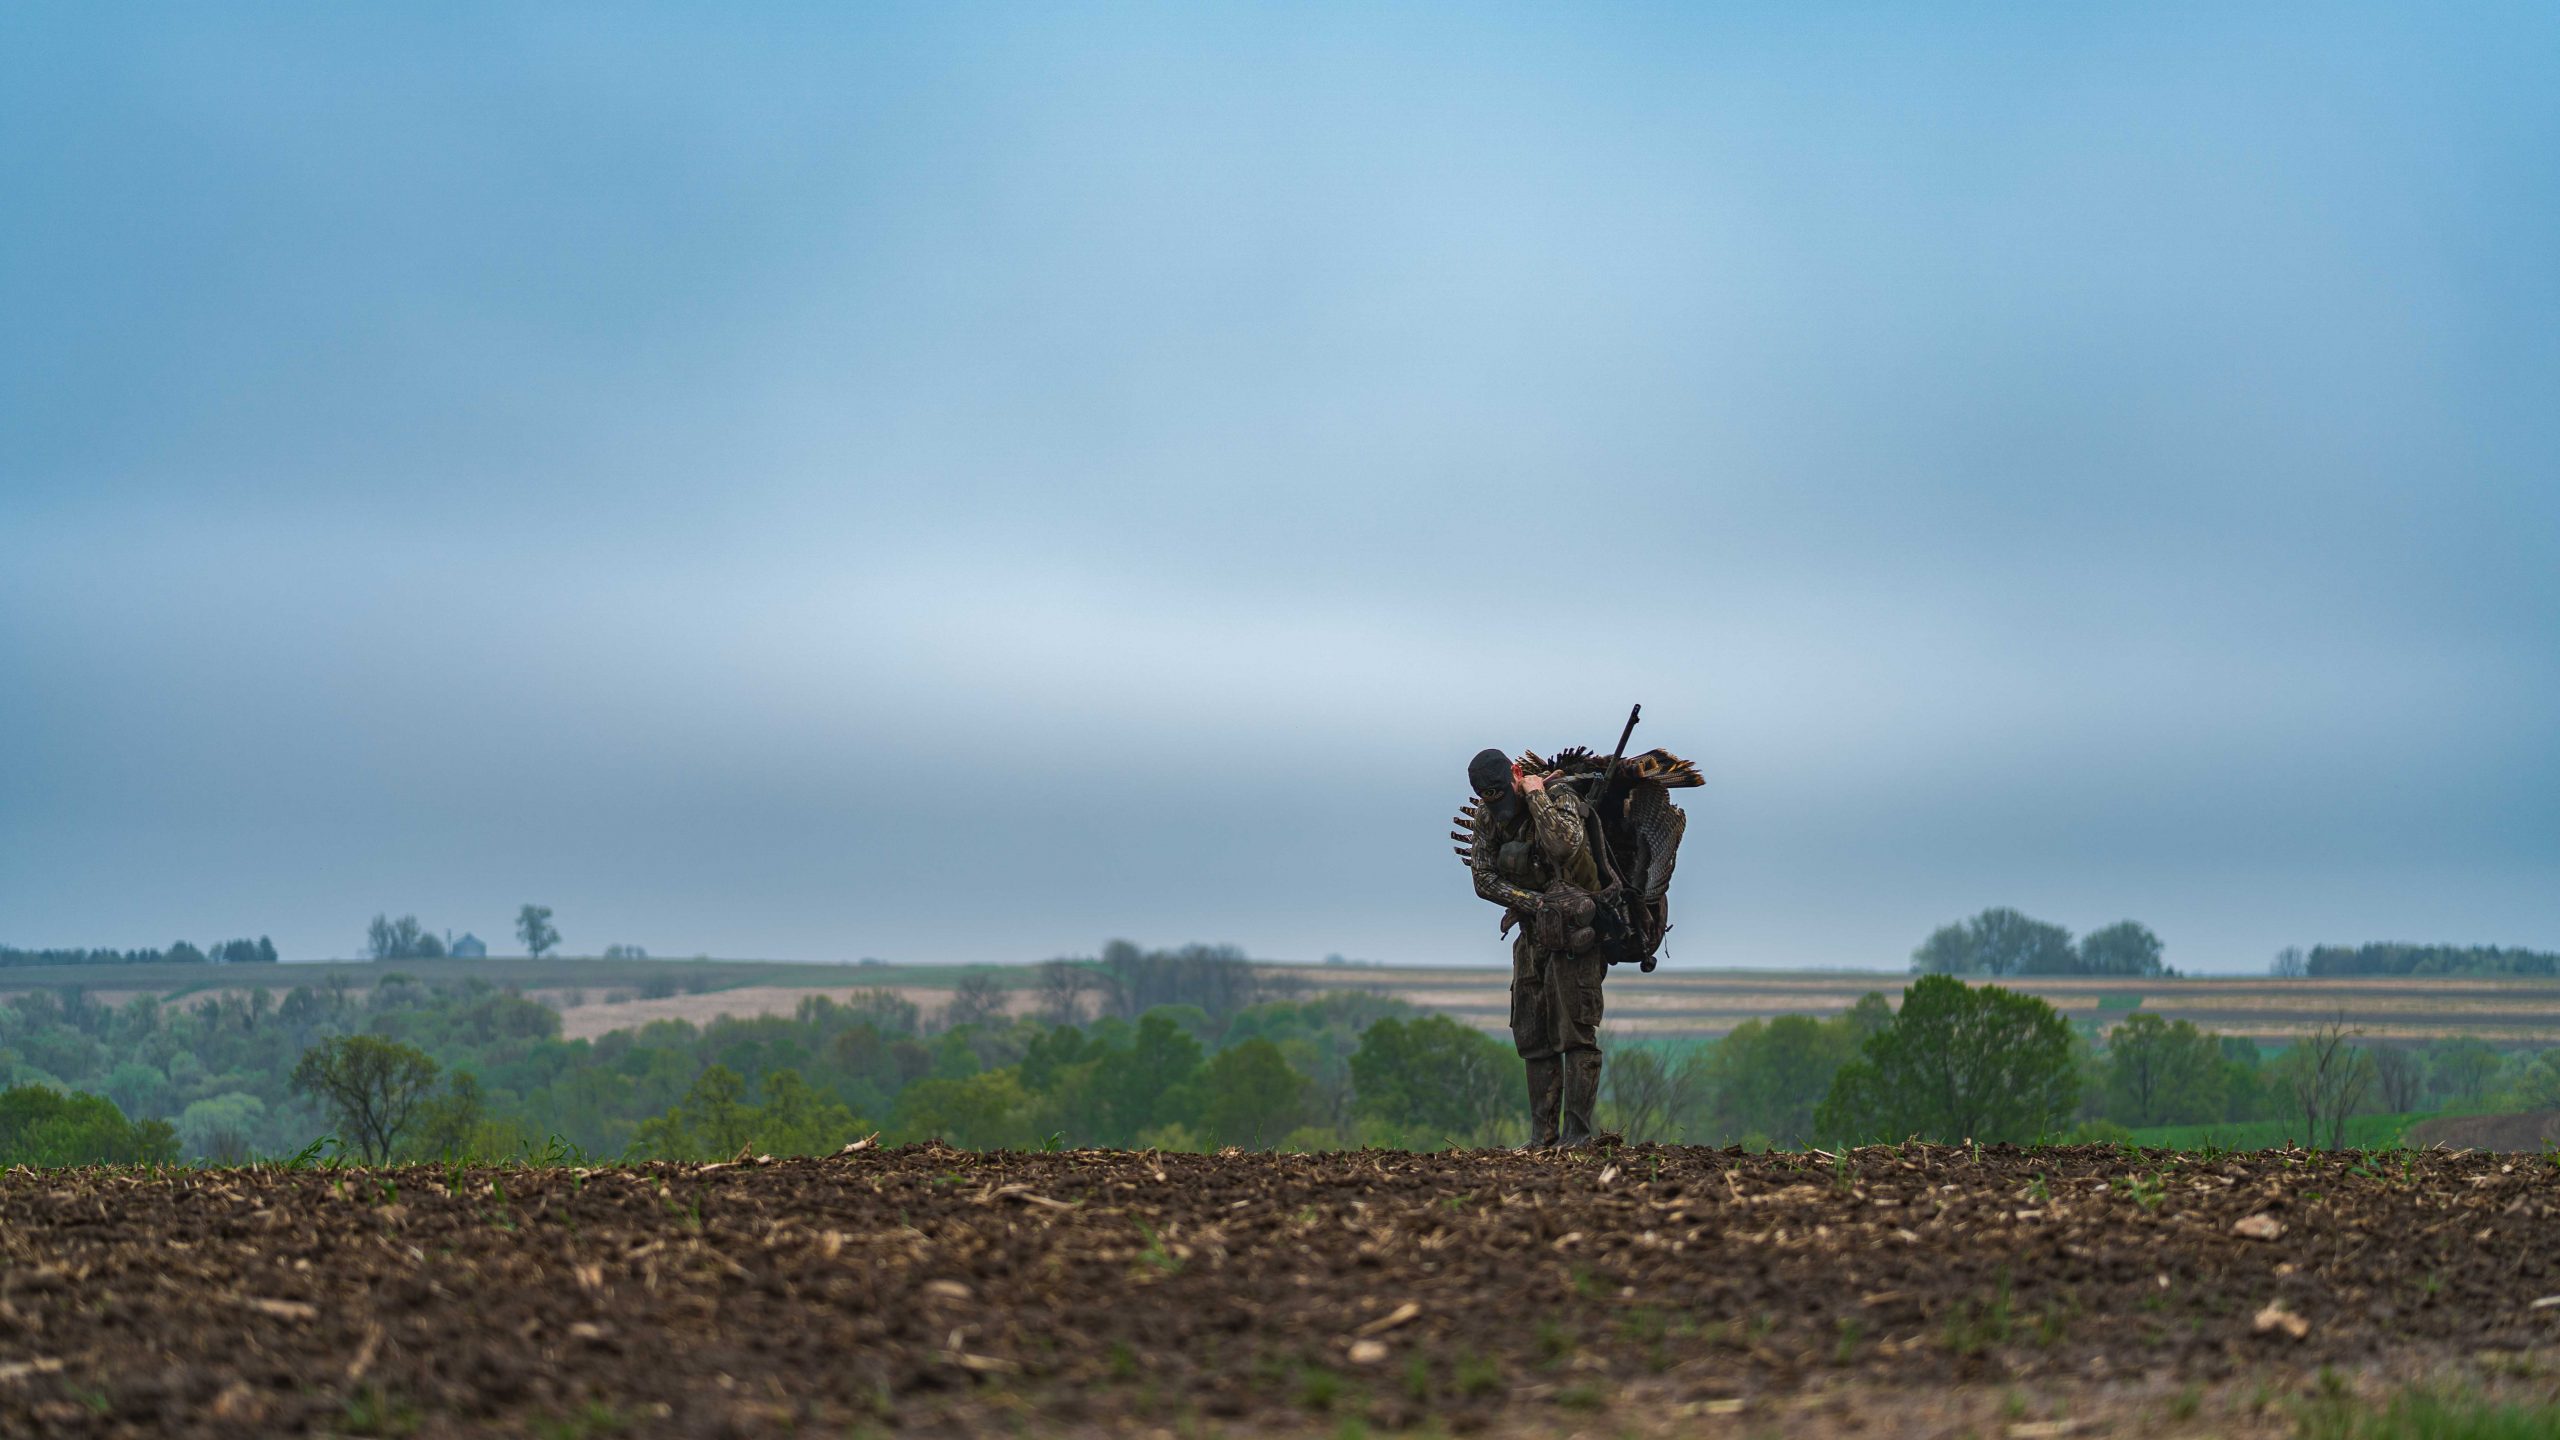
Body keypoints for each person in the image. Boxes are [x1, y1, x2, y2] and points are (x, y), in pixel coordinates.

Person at [1463, 747, 1610, 1147]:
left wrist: (1534, 795)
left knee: (1575, 1031)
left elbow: (1565, 844)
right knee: (1532, 1034)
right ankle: (1542, 1136)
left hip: (1577, 940)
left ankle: (1577, 1136)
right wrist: (1537, 905)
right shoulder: (1488, 815)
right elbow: (1483, 879)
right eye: (1489, 799)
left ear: (1516, 773)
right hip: (1533, 936)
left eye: (1503, 794)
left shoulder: (1559, 795)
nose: (1498, 808)